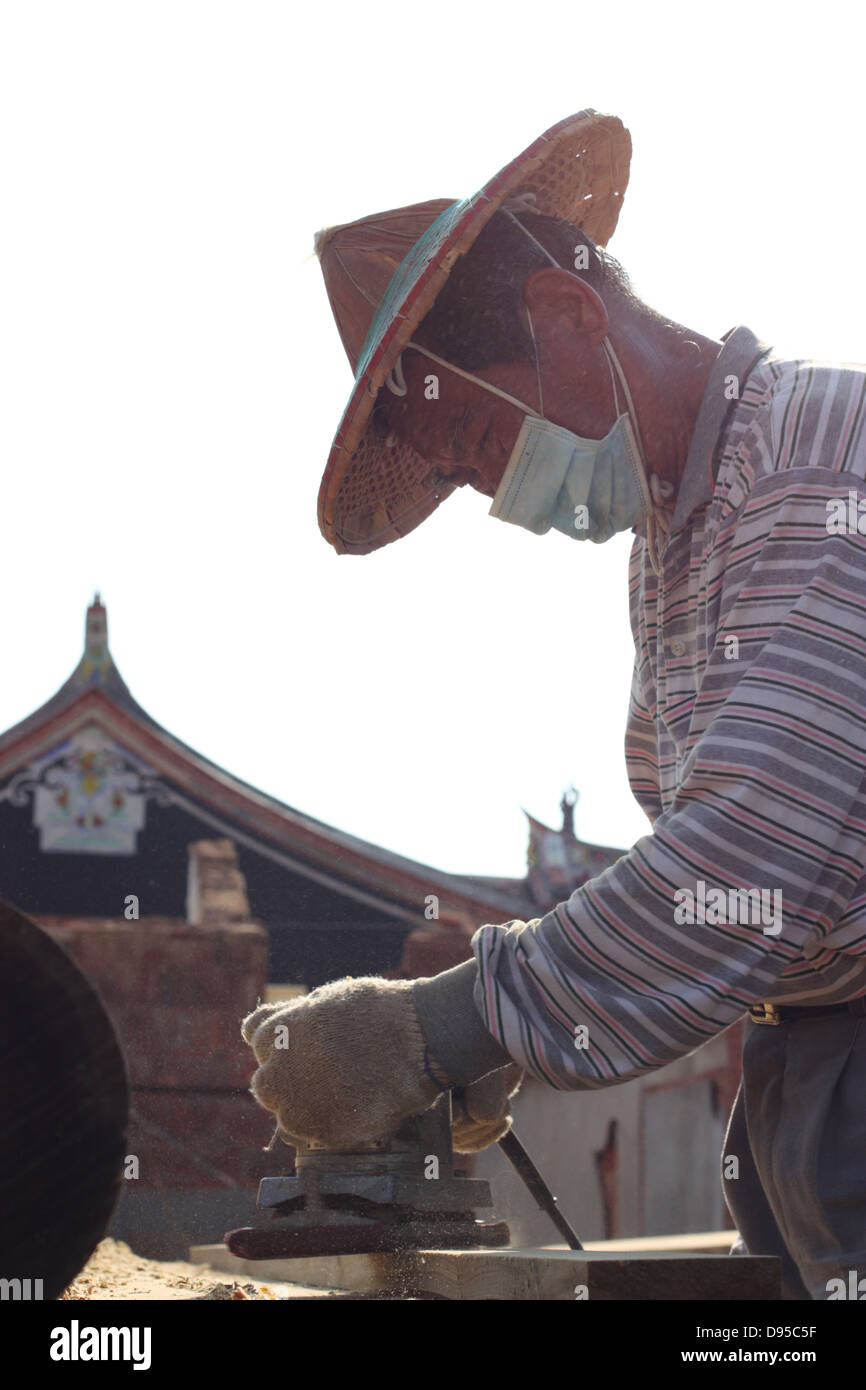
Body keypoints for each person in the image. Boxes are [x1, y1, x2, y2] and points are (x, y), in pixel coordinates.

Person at [242, 110, 866, 1301]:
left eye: (482, 437)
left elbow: (759, 849)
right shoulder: (674, 544)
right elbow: (701, 855)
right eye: (470, 472)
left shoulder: (821, 455)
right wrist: (536, 1010)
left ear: (570, 314)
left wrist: (452, 1023)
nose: (497, 492)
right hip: (801, 1066)